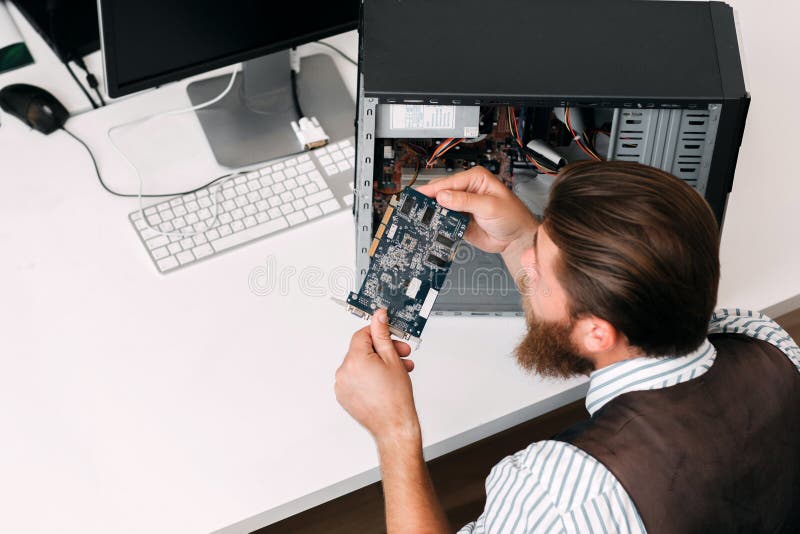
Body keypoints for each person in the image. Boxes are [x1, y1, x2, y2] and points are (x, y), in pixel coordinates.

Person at [334, 161, 800, 533]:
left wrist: (394, 432)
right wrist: (519, 240)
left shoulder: (560, 497)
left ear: (597, 333)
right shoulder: (763, 340)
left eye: (541, 260)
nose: (529, 257)